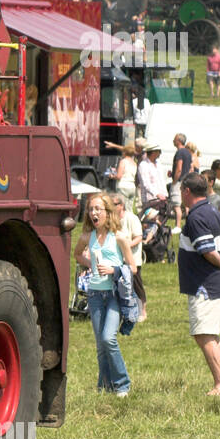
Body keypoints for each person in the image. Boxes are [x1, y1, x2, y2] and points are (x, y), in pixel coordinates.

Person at [176, 174, 220, 396]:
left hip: (204, 285)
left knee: (204, 335)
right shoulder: (216, 212)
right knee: (213, 336)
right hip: (217, 284)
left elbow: (207, 250)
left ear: (186, 191)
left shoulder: (196, 217)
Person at [74, 193, 140, 396]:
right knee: (100, 345)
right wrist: (90, 265)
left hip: (113, 294)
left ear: (108, 212)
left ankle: (122, 384)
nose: (93, 213)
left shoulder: (119, 237)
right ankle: (104, 386)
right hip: (94, 294)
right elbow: (76, 254)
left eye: (97, 209)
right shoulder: (87, 236)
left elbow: (133, 267)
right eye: (91, 209)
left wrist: (113, 270)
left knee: (108, 338)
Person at [109, 192, 146, 321]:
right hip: (118, 260)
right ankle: (124, 312)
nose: (112, 207)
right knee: (122, 287)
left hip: (133, 259)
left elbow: (139, 237)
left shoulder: (131, 218)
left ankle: (142, 311)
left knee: (136, 286)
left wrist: (127, 245)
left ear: (122, 205)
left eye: (115, 204)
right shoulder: (111, 220)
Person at [170, 133, 192, 231]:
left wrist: (174, 181)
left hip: (179, 181)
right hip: (186, 180)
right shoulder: (188, 152)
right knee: (186, 205)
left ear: (178, 141)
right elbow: (189, 168)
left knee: (176, 205)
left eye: (174, 139)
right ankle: (189, 224)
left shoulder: (180, 152)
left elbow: (179, 168)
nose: (173, 141)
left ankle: (178, 226)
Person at [137, 143, 166, 211]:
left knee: (161, 219)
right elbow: (146, 184)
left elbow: (162, 180)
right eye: (159, 151)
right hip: (150, 199)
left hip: (161, 198)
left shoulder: (158, 164)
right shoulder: (143, 165)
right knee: (150, 220)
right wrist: (157, 194)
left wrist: (164, 194)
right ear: (153, 152)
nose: (160, 154)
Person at [114, 142, 138, 209]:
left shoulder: (123, 161)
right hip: (132, 187)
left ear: (124, 152)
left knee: (122, 208)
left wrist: (112, 176)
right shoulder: (134, 163)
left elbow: (119, 176)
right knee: (129, 208)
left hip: (123, 186)